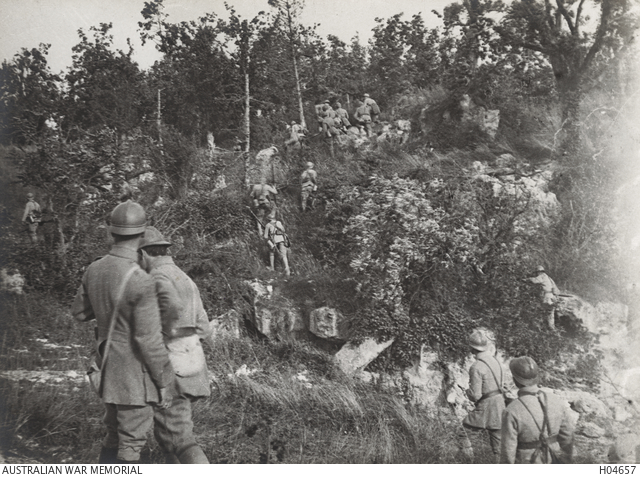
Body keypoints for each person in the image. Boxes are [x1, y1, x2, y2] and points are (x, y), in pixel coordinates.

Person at [72, 200, 175, 464]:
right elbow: (148, 340)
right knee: (131, 444)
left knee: (113, 434)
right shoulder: (141, 279)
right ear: (142, 235)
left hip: (106, 367)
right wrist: (164, 382)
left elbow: (80, 313)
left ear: (112, 232)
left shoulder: (94, 268)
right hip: (134, 374)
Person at [138, 226, 212, 464]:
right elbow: (204, 328)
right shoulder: (184, 276)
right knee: (170, 435)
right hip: (192, 361)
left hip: (170, 362)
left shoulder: (155, 278)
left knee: (178, 437)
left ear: (144, 254)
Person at [501, 356, 575, 464]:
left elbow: (508, 450)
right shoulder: (556, 401)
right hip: (555, 459)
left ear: (515, 380)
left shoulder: (511, 410)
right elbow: (568, 436)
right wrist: (567, 461)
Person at [462, 329, 506, 462]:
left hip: (486, 407)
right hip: (500, 405)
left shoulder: (476, 367)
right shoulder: (496, 361)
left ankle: (468, 462)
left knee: (463, 433)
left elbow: (476, 395)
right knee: (498, 447)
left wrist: (466, 392)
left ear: (472, 348)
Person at [263, 211, 290, 276]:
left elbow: (265, 237)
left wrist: (270, 244)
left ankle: (272, 267)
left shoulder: (268, 225)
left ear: (268, 219)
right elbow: (283, 230)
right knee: (284, 255)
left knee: (271, 252)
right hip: (282, 240)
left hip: (274, 241)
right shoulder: (279, 222)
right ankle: (287, 268)